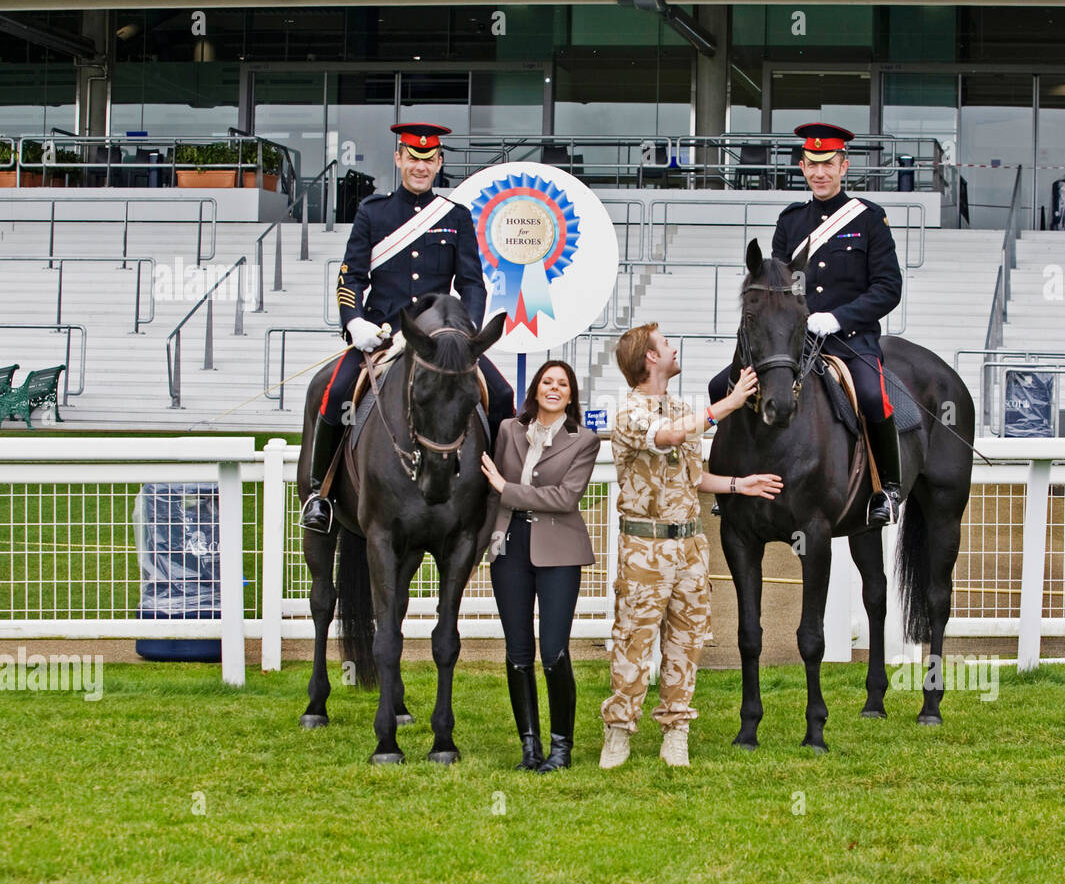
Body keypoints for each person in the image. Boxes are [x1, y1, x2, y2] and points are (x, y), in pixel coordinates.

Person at [300, 121, 515, 532]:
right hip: (380, 335)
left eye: (429, 160)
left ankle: (496, 493)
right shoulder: (372, 213)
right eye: (412, 158)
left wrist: (463, 335)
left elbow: (471, 282)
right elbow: (351, 276)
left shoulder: (455, 217)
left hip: (440, 341)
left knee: (502, 394)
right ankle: (320, 494)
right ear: (399, 159)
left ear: (438, 163)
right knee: (336, 392)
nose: (421, 167)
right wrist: (355, 321)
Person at [600, 324, 783, 769]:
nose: (675, 348)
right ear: (649, 358)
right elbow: (668, 436)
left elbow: (693, 477)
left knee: (686, 645)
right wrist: (732, 401)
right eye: (666, 345)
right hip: (644, 549)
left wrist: (741, 484)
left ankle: (675, 731)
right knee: (633, 643)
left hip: (689, 548)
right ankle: (619, 730)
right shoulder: (628, 413)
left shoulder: (682, 408)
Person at [708, 122, 904, 528]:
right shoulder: (792, 221)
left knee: (871, 397)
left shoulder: (869, 219)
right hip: (794, 341)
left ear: (844, 167)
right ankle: (734, 483)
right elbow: (781, 283)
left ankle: (887, 487)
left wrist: (837, 317)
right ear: (802, 166)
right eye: (812, 165)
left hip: (850, 340)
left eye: (828, 164)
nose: (820, 173)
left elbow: (888, 288)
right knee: (719, 386)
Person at [480, 360, 599, 773]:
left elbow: (565, 498)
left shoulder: (583, 440)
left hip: (559, 553)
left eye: (562, 384)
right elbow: (491, 494)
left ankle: (560, 749)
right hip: (509, 547)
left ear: (570, 395)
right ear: (535, 389)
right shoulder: (508, 431)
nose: (554, 388)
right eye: (547, 381)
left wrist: (507, 488)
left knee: (553, 651)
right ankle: (529, 748)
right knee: (517, 652)